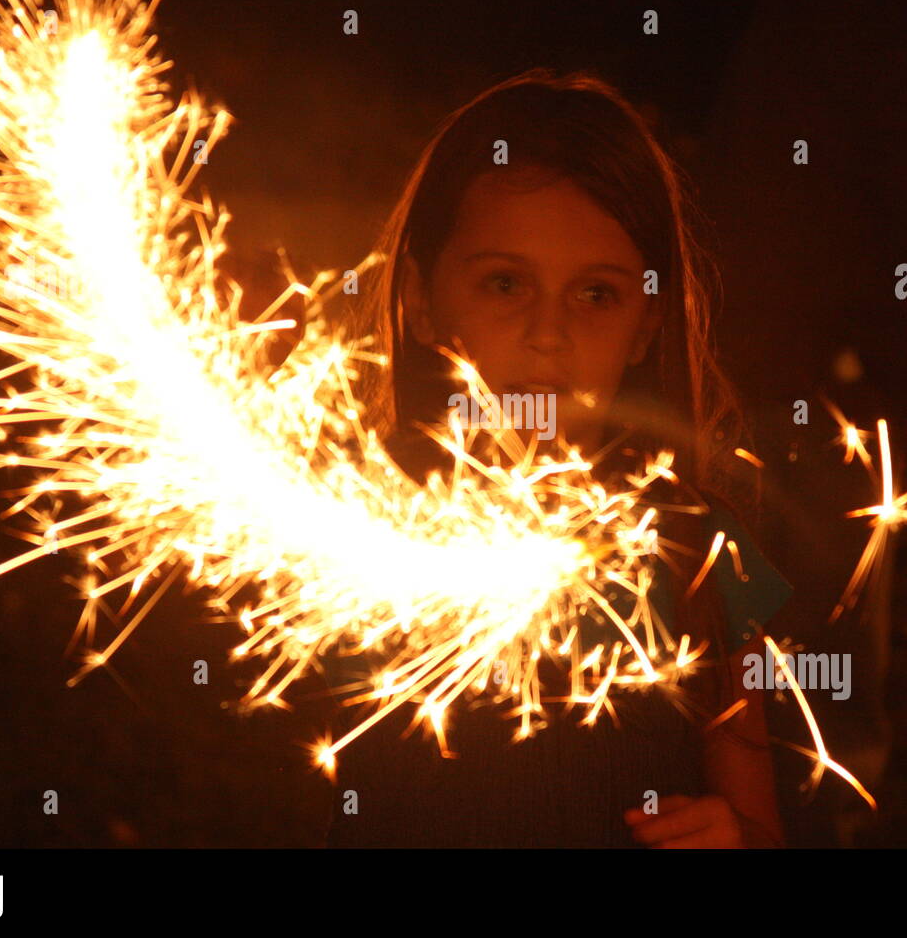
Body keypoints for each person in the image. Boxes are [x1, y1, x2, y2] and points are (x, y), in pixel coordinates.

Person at [322, 69, 792, 848]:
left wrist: (733, 836)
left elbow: (760, 826)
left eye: (595, 294)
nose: (549, 333)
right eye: (506, 283)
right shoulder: (361, 535)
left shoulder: (697, 556)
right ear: (421, 299)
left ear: (645, 326)